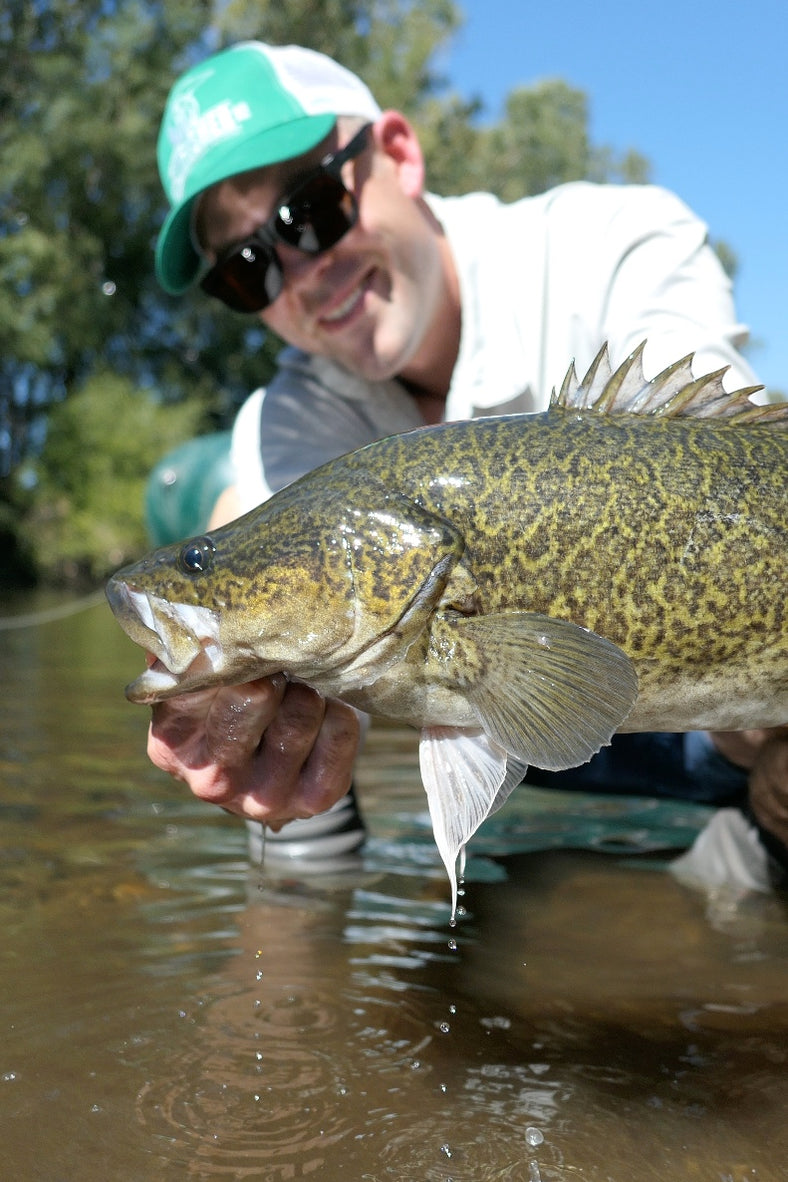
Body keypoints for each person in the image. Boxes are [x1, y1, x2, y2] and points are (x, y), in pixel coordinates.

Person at [146, 40, 788, 886]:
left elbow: (721, 490)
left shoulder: (615, 244)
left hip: (715, 729)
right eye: (247, 267)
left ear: (399, 156)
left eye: (311, 209)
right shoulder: (293, 420)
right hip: (516, 726)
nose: (303, 270)